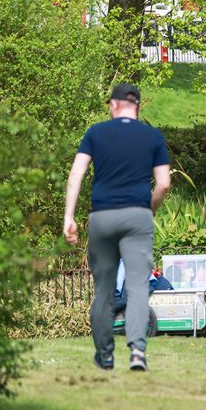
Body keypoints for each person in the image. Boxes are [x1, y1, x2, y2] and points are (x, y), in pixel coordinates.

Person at [63, 82, 171, 372]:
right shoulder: (153, 136)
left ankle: (105, 354)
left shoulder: (95, 133)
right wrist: (149, 210)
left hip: (103, 215)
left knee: (105, 288)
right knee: (137, 285)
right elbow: (163, 183)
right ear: (138, 106)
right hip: (137, 214)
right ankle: (137, 351)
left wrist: (69, 216)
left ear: (113, 105)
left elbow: (77, 173)